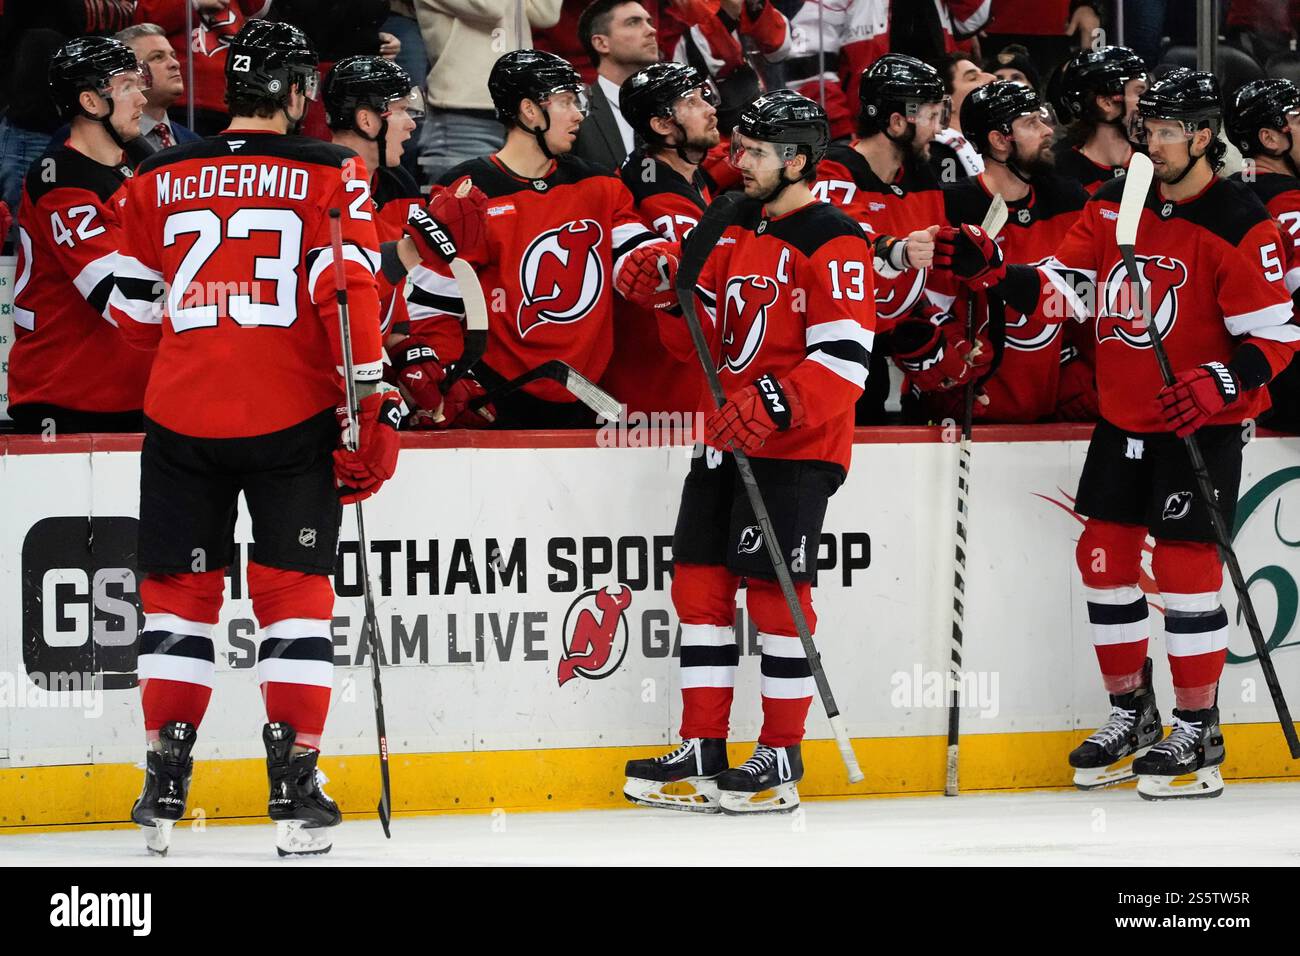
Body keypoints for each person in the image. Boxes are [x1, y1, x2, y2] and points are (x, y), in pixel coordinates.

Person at [937, 69, 1299, 800]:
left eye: (1164, 132)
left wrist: (1227, 381)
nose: (1149, 143)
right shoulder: (1114, 206)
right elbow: (1062, 289)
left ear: (1202, 137)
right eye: (1145, 130)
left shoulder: (1238, 221)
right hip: (1123, 420)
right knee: (1103, 560)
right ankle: (1131, 715)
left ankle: (1198, 729)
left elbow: (1277, 333)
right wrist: (995, 274)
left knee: (1188, 571)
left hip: (1198, 427)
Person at [105, 20, 401, 856]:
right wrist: (366, 407)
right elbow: (348, 291)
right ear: (299, 93)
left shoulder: (159, 171)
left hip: (180, 417)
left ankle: (164, 784)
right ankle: (294, 788)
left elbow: (130, 310)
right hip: (289, 419)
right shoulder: (328, 169)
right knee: (292, 598)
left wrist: (201, 342)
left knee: (179, 602)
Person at [623, 90, 875, 815]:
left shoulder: (835, 237)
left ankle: (780, 754)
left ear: (797, 160)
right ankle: (704, 744)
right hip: (723, 436)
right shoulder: (729, 222)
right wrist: (667, 299)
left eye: (759, 152)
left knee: (775, 599)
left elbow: (847, 362)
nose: (741, 161)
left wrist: (772, 405)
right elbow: (699, 343)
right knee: (700, 592)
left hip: (794, 447)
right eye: (741, 147)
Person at [403, 49, 668, 429]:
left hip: (589, 391)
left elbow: (636, 250)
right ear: (529, 110)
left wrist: (659, 261)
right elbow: (433, 304)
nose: (578, 114)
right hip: (497, 394)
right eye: (564, 101)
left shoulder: (600, 184)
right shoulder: (468, 191)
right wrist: (448, 374)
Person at [323, 54, 495, 427]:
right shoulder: (315, 184)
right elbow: (341, 292)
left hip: (366, 375)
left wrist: (413, 358)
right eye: (402, 110)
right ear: (366, 120)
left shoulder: (394, 182)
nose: (411, 125)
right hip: (320, 387)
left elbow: (393, 298)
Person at [919, 80, 1094, 425]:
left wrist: (1079, 370)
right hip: (972, 409)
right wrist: (949, 359)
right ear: (999, 141)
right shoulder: (952, 209)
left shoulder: (1068, 200)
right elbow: (925, 306)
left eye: (1042, 119)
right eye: (1031, 123)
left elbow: (1089, 294)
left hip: (1049, 412)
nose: (1047, 131)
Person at [8, 36, 155, 435]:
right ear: (91, 102)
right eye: (127, 86)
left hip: (140, 397)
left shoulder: (143, 167)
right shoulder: (58, 181)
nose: (142, 98)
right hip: (65, 399)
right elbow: (122, 298)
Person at [813, 54, 956, 425]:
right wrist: (898, 251)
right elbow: (845, 238)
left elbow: (937, 263)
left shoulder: (923, 177)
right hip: (828, 351)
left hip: (885, 354)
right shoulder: (835, 167)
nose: (938, 129)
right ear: (896, 122)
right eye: (930, 116)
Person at [600, 62, 719, 416]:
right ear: (663, 125)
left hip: (681, 382)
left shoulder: (689, 177)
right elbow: (706, 274)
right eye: (693, 102)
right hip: (654, 393)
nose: (710, 109)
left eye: (705, 97)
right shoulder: (649, 190)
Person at [413, 0, 563, 183]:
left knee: (514, 206)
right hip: (464, 116)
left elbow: (545, 13)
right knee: (461, 206)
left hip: (516, 112)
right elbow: (491, 7)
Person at [1225, 78, 1300, 430]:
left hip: (1243, 380)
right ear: (1270, 139)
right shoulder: (1288, 200)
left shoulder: (1228, 193)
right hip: (1287, 381)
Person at [572, 0, 661, 172]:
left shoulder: (669, 106)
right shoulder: (575, 110)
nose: (652, 30)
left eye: (649, 22)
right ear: (601, 43)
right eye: (633, 23)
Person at [1049, 46, 1148, 196]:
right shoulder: (1061, 172)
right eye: (1139, 92)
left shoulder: (1153, 155)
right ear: (1106, 103)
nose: (1148, 101)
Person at [116, 23, 201, 149]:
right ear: (128, 74)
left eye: (173, 55)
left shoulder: (194, 142)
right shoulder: (110, 141)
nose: (175, 63)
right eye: (158, 57)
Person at [928, 53, 995, 184]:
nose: (992, 77)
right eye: (973, 78)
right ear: (946, 101)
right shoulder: (937, 152)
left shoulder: (990, 148)